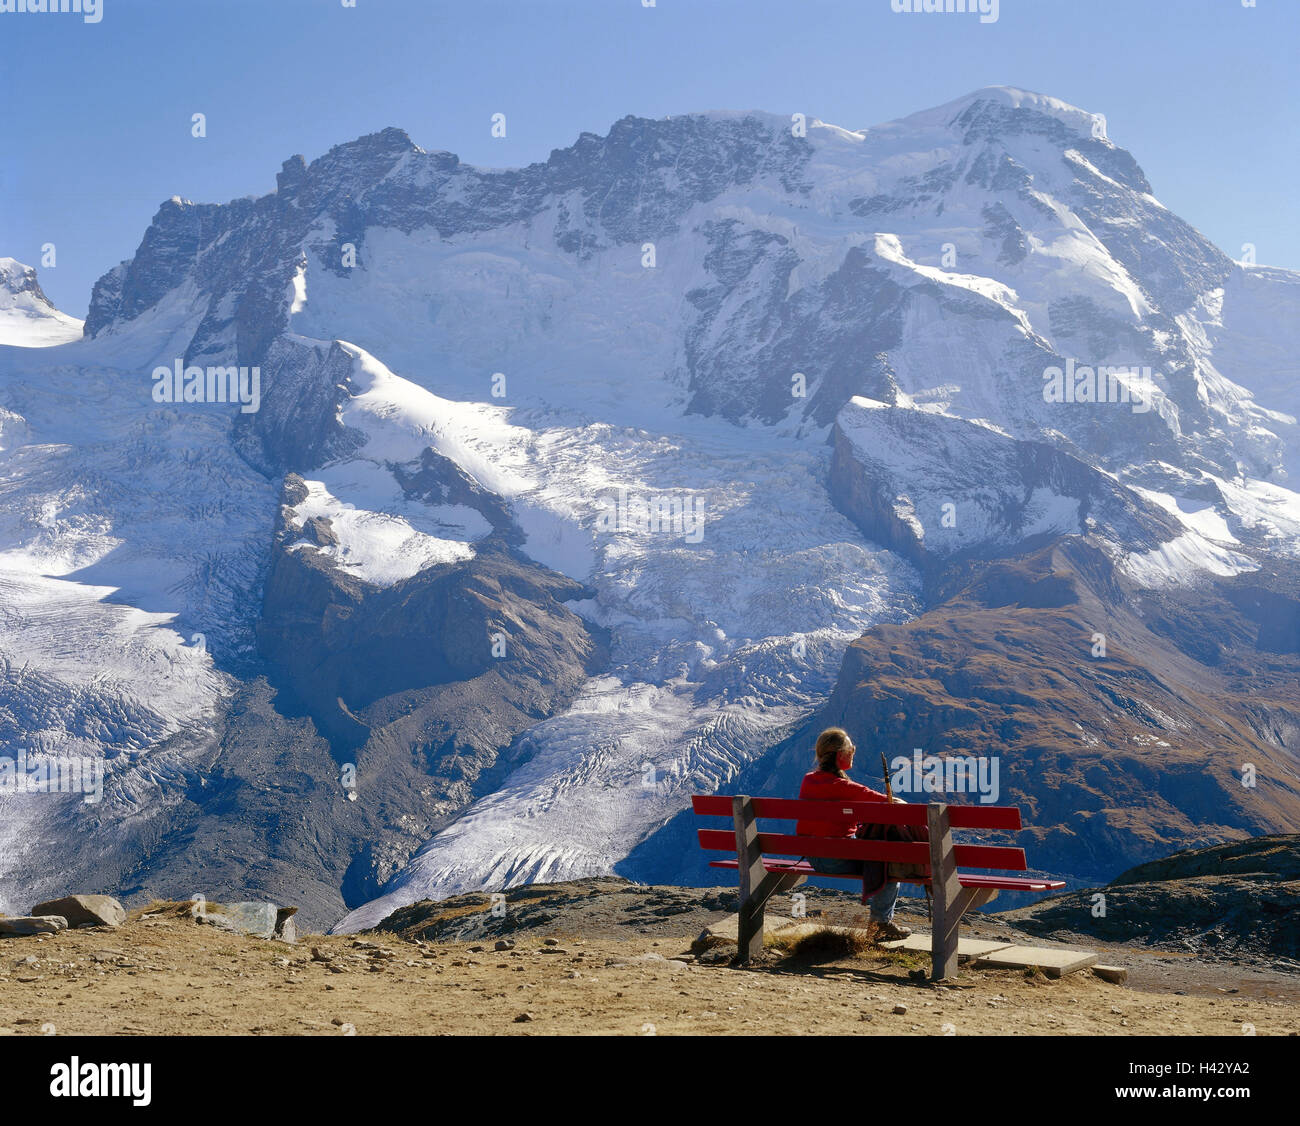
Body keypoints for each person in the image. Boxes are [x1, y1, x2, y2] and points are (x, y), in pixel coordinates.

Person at [796, 727, 912, 941]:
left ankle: (880, 923)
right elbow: (889, 803)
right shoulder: (844, 787)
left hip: (813, 857)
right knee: (887, 860)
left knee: (873, 852)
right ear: (841, 755)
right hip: (837, 859)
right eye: (852, 749)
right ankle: (880, 924)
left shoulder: (808, 780)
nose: (854, 753)